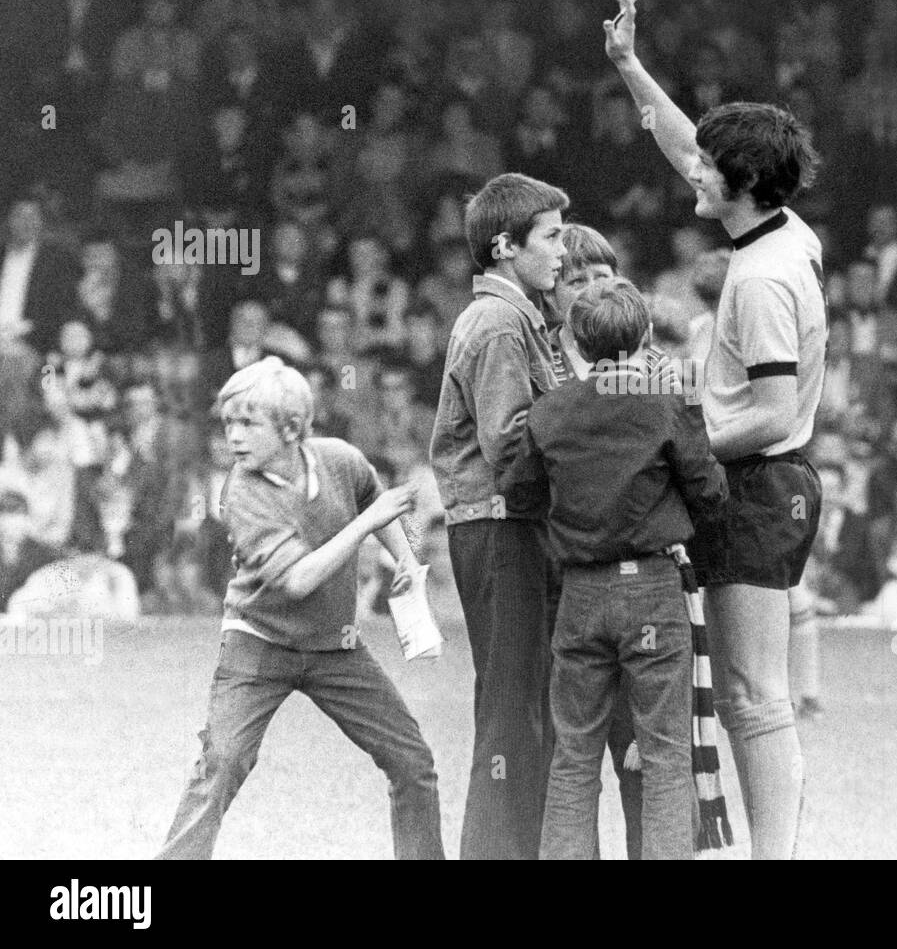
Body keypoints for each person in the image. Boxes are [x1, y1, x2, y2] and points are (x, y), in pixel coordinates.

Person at [605, 0, 826, 858]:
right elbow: (686, 143)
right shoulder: (775, 233)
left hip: (760, 482)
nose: (693, 171)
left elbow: (771, 412)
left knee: (754, 694)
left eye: (708, 168)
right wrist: (629, 67)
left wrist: (675, 442)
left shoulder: (764, 279)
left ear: (740, 184)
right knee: (744, 694)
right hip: (754, 479)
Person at [157, 357, 444, 859]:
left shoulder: (339, 458)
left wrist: (403, 559)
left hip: (336, 647)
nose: (234, 436)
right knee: (222, 764)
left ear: (291, 428)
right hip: (258, 645)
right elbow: (298, 581)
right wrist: (362, 526)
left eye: (247, 423)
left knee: (412, 761)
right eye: (228, 423)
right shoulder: (242, 492)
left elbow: (374, 501)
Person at [500, 278, 728, 859]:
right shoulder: (666, 402)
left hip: (581, 591)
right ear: (646, 336)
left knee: (574, 756)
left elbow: (519, 493)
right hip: (651, 586)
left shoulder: (549, 411)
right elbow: (710, 492)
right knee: (664, 756)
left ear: (577, 343)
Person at [429, 171, 568, 859]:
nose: (563, 251)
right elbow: (510, 441)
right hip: (500, 524)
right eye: (551, 236)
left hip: (506, 523)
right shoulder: (497, 323)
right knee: (512, 713)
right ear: (506, 245)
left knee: (526, 708)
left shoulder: (515, 317)